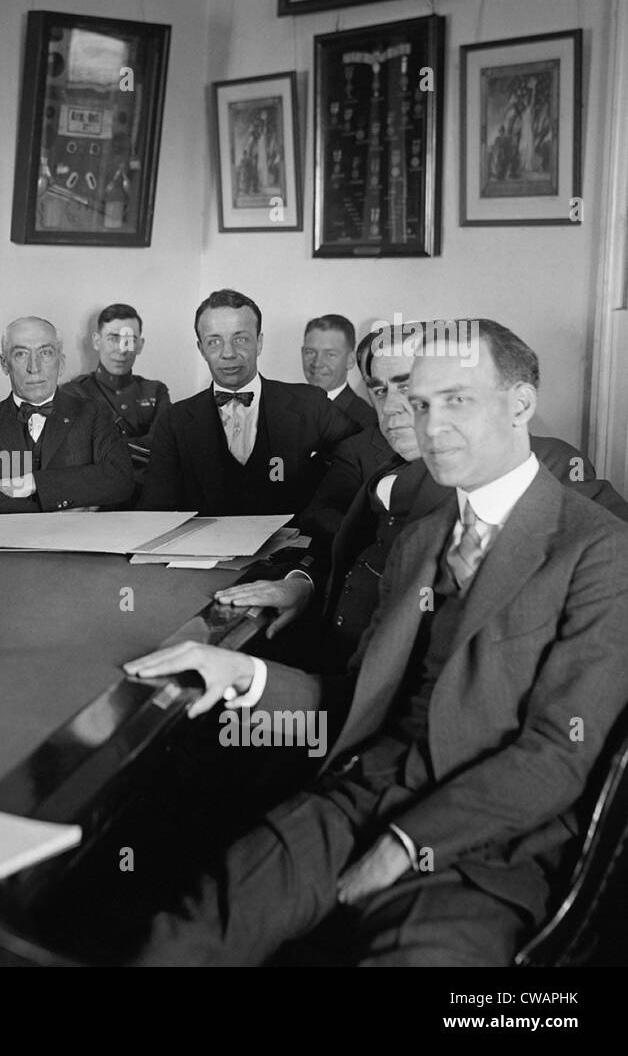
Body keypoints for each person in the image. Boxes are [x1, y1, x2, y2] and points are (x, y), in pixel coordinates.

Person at [123, 320, 628, 965]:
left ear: (520, 404)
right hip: (354, 799)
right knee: (180, 941)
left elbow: (558, 756)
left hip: (487, 849)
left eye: (457, 400)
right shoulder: (419, 541)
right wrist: (248, 675)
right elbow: (363, 699)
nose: (429, 424)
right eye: (419, 403)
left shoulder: (598, 550)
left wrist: (402, 841)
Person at [217, 321, 626, 670]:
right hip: (338, 668)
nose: (395, 409)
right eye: (379, 390)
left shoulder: (545, 463)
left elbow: (608, 552)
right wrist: (304, 584)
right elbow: (347, 552)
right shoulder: (383, 467)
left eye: (410, 388)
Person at [140, 289, 361, 515]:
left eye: (241, 339)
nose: (228, 353)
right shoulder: (175, 421)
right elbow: (157, 511)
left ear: (260, 343)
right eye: (214, 341)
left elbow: (363, 460)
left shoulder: (310, 405)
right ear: (202, 350)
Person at [0, 317, 133, 513]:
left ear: (60, 362)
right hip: (7, 540)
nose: (34, 367)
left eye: (45, 353)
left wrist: (33, 483)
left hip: (79, 540)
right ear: (4, 364)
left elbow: (120, 479)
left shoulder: (94, 413)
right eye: (21, 354)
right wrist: (62, 502)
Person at [61, 303, 170, 495]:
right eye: (113, 338)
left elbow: (162, 447)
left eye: (130, 340)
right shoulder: (74, 393)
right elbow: (78, 455)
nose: (122, 349)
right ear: (96, 341)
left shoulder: (155, 391)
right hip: (97, 498)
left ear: (140, 345)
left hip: (147, 498)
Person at [300, 313, 376, 430]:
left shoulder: (365, 421)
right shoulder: (283, 409)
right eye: (310, 352)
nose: (317, 363)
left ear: (350, 360)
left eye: (330, 355)